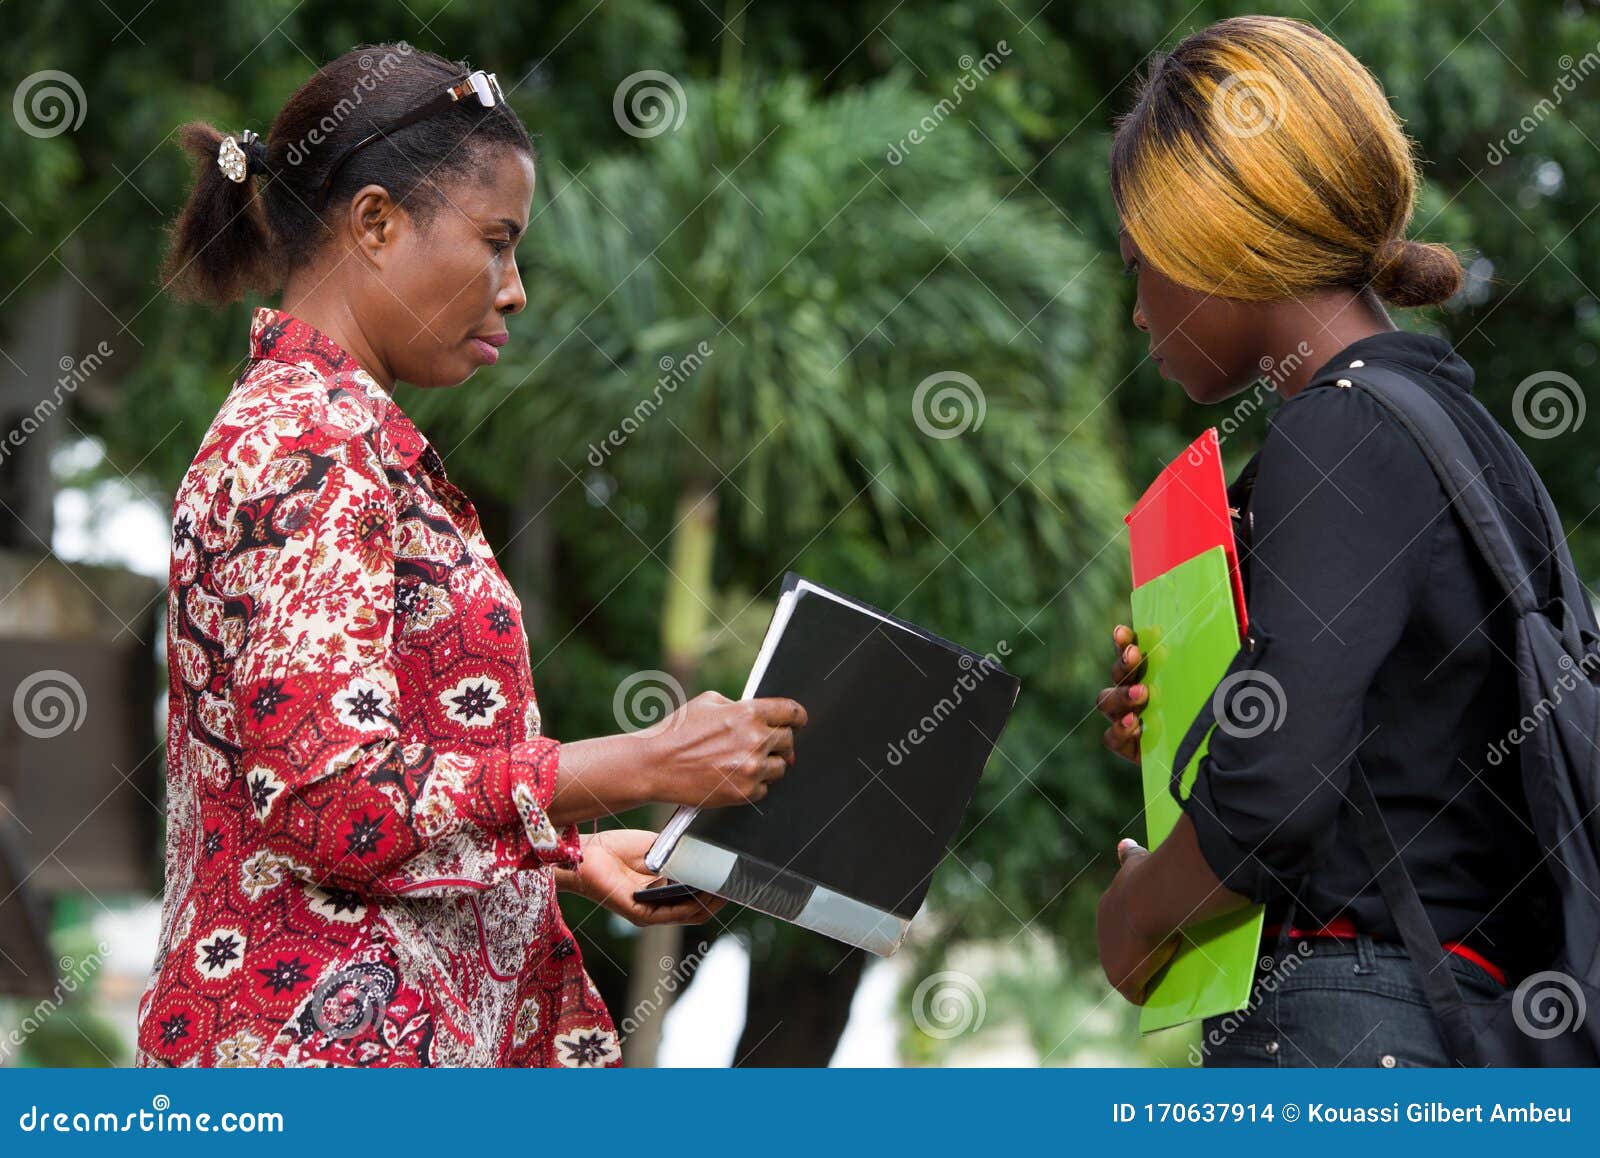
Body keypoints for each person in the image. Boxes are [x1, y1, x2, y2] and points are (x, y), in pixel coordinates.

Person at [136, 44, 806, 1068]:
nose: (516, 289)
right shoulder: (306, 446)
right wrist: (639, 762)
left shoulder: (343, 439)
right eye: (496, 242)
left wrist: (567, 852)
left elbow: (366, 772)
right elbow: (332, 806)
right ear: (375, 223)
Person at [1093, 15, 1560, 1067]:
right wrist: (1196, 712)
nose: (1137, 312)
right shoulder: (1452, 433)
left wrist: (1136, 914)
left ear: (1216, 237)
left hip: (1351, 1024)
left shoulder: (1337, 431)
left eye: (1140, 263)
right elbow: (1390, 743)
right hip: (1456, 1015)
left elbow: (1273, 799)